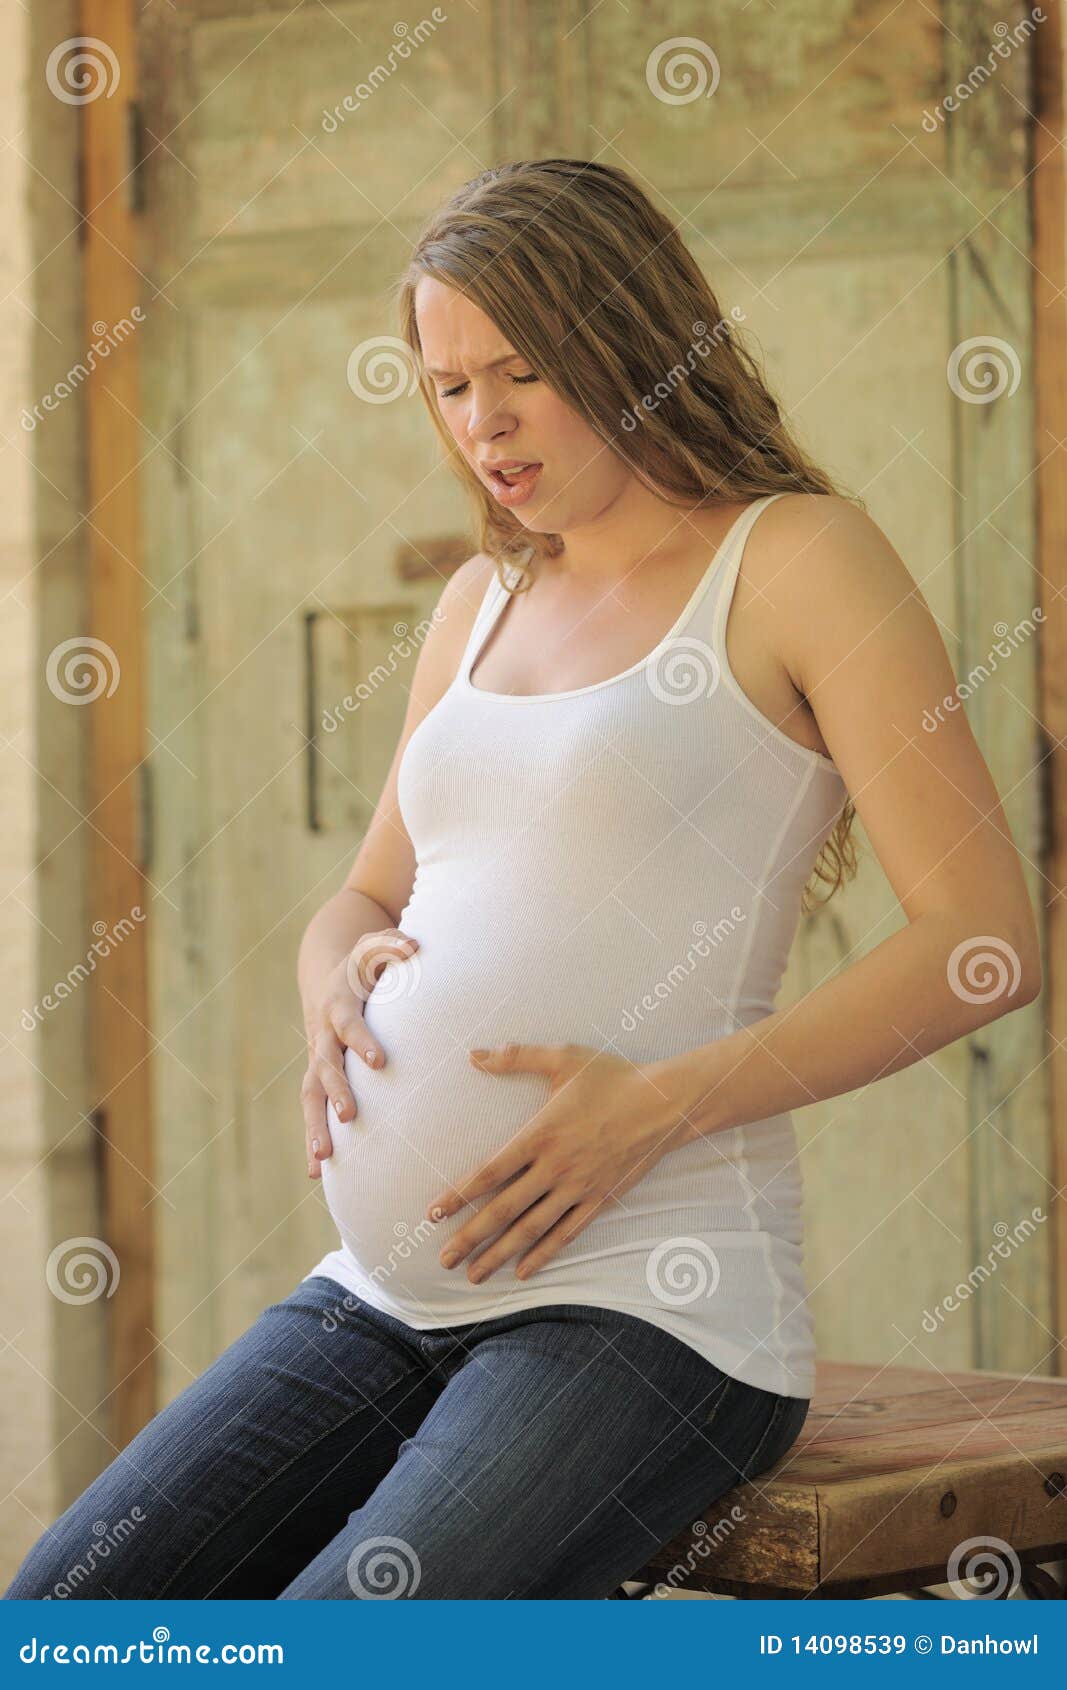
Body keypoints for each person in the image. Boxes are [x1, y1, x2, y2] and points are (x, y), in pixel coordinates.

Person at [6, 158, 1040, 1601]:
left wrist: (657, 1105)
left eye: (524, 372)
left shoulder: (798, 560)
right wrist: (327, 991)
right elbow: (363, 896)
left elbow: (983, 937)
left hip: (650, 1308)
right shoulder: (480, 599)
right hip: (382, 1294)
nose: (482, 425)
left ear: (630, 339)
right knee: (67, 1608)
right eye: (445, 387)